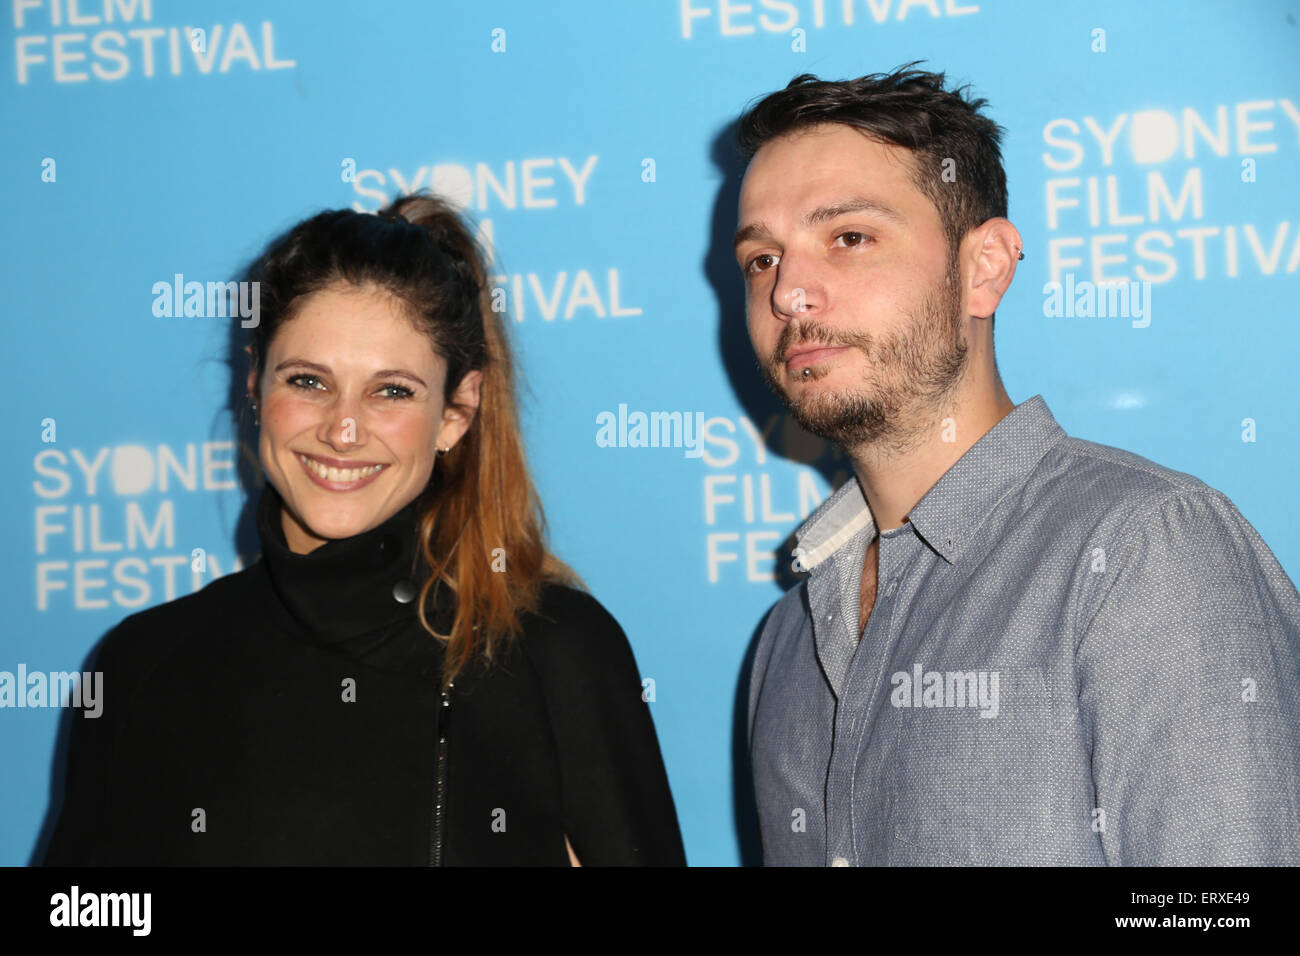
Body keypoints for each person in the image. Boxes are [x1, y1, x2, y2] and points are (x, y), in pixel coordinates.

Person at [738, 65, 1300, 865]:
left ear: (985, 268)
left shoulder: (1142, 553)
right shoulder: (788, 641)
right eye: (762, 259)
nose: (790, 292)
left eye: (850, 238)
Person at [42, 193, 686, 866]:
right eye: (310, 382)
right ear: (257, 385)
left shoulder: (554, 653)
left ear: (455, 414)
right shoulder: (144, 664)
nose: (343, 430)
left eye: (392, 391)